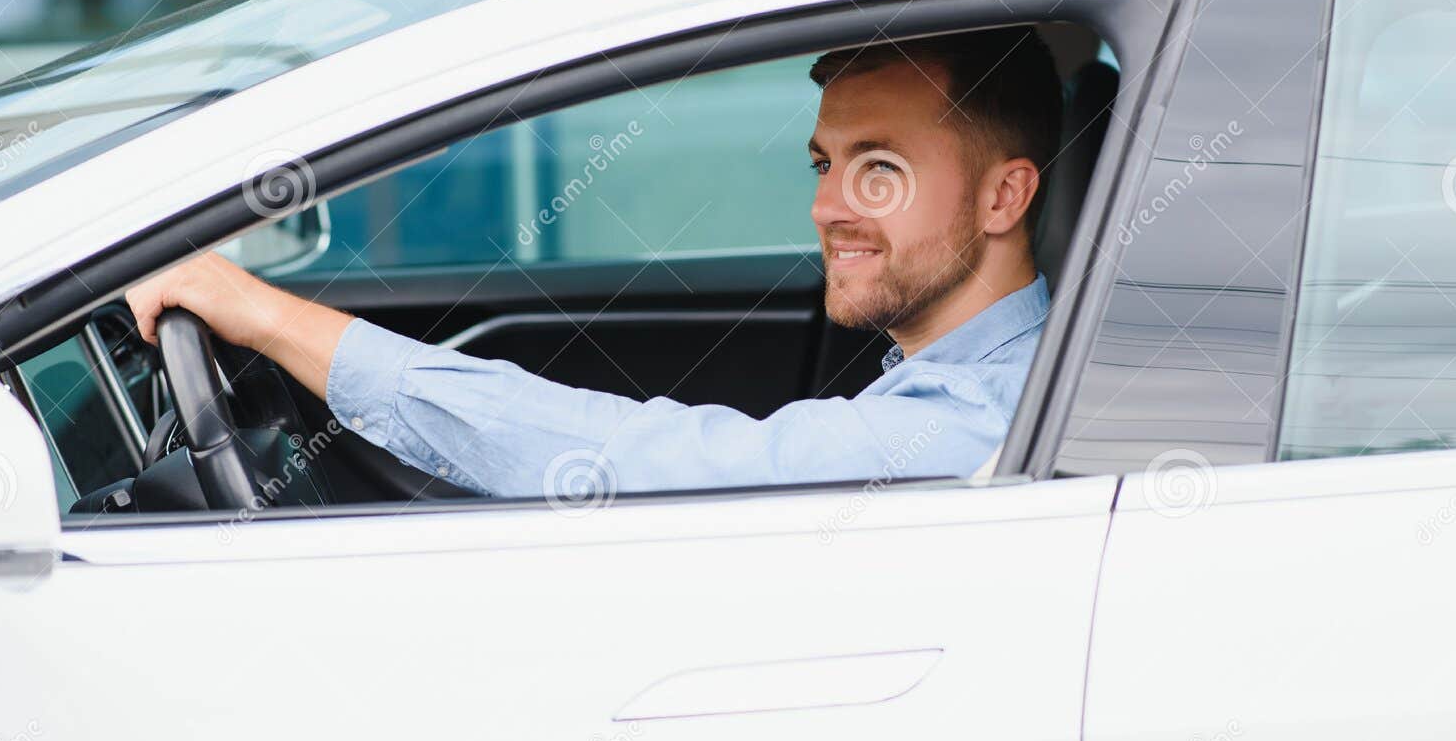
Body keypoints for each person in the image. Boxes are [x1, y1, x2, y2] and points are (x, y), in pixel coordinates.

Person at [126, 28, 1062, 496]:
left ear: (1003, 197)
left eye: (881, 172)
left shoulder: (979, 427)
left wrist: (271, 318)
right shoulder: (966, 377)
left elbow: (642, 462)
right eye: (826, 165)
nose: (826, 207)